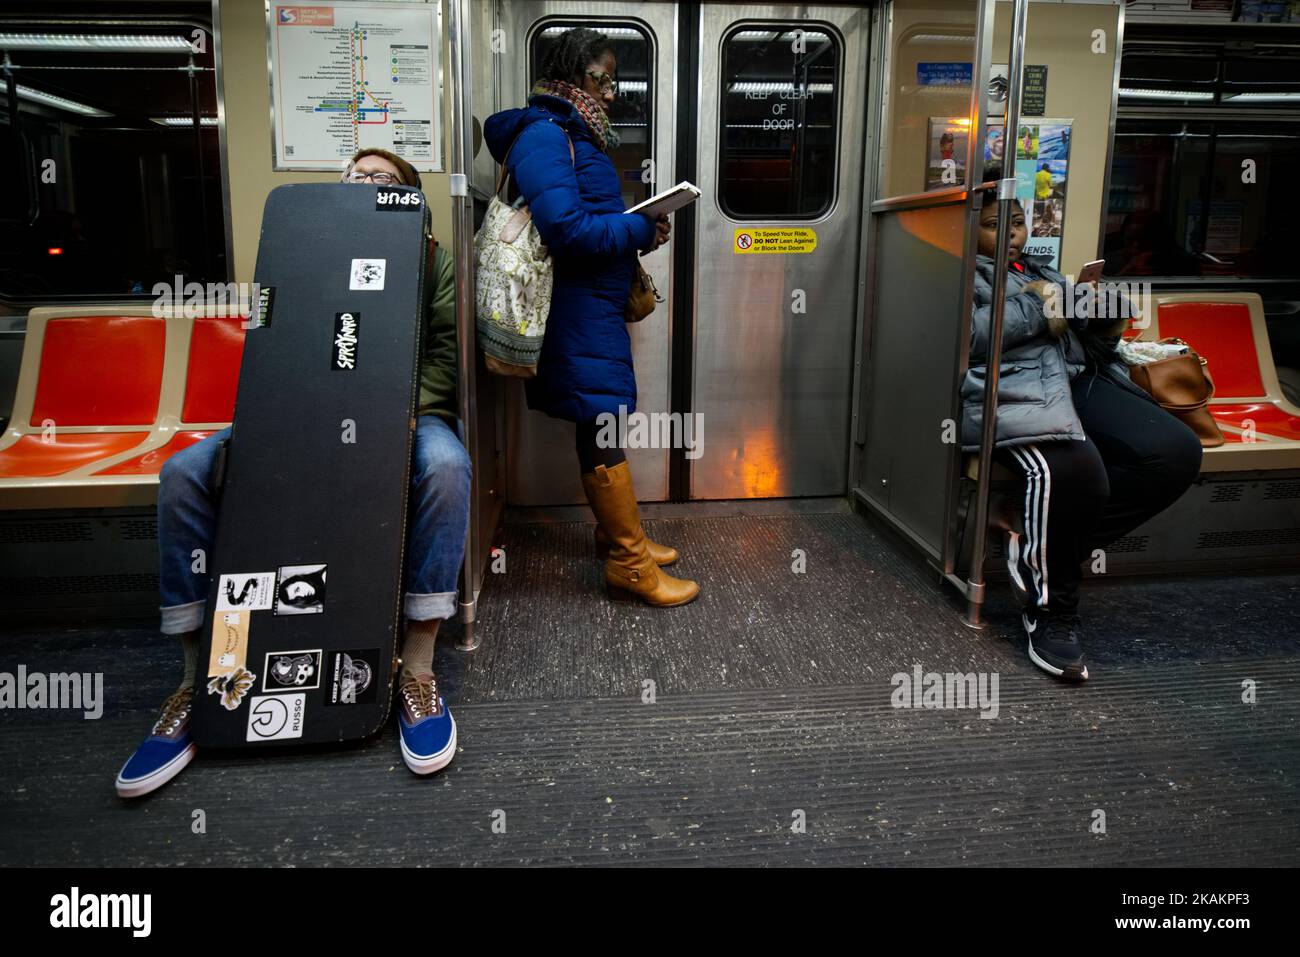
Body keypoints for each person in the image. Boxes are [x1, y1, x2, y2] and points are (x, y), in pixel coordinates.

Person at [115, 147, 470, 797]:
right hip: (298, 407)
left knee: (447, 470)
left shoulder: (432, 261)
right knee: (183, 474)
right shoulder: (305, 246)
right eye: (355, 176)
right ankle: (199, 677)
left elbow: (444, 350)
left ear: (410, 202)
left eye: (381, 179)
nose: (364, 184)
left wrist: (398, 414)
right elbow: (276, 338)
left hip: (406, 412)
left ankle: (416, 665)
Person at [482, 27, 699, 608]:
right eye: (604, 78)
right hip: (573, 311)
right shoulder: (546, 135)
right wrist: (635, 227)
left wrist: (641, 232)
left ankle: (615, 537)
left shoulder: (575, 135)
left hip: (591, 306)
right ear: (576, 74)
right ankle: (629, 563)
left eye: (615, 81)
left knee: (599, 419)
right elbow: (566, 230)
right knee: (601, 420)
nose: (612, 92)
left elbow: (583, 221)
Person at [963, 169, 1202, 682]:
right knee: (1078, 475)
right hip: (1014, 393)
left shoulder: (1039, 269)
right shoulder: (954, 275)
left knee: (1175, 453)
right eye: (992, 225)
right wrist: (1045, 305)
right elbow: (969, 338)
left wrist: (1096, 315)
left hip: (1077, 381)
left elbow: (1087, 348)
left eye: (1018, 223)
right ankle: (1052, 611)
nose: (1009, 234)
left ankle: (1039, 547)